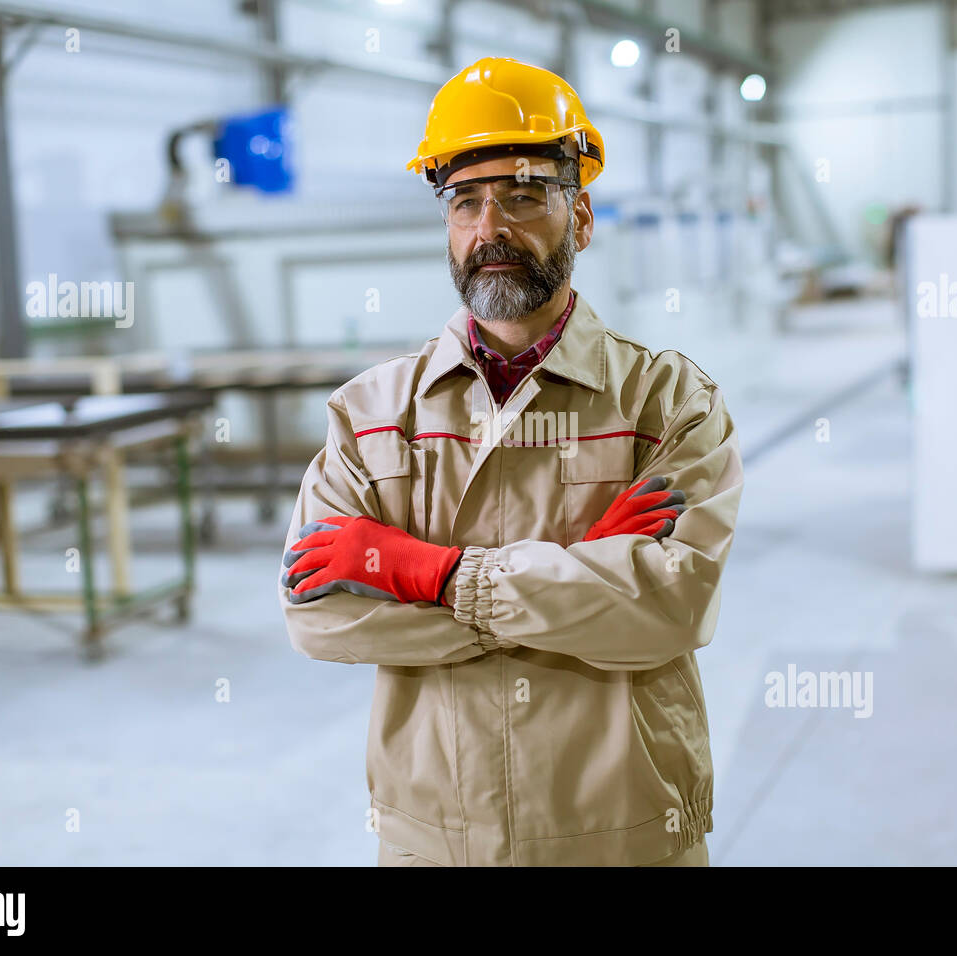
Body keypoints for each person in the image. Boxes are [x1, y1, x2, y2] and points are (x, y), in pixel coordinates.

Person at [278, 56, 744, 866]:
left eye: (524, 197)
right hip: (435, 839)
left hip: (626, 832)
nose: (490, 227)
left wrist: (427, 572)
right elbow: (318, 617)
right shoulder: (371, 414)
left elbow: (671, 609)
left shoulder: (668, 403)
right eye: (466, 200)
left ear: (583, 218)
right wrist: (579, 579)